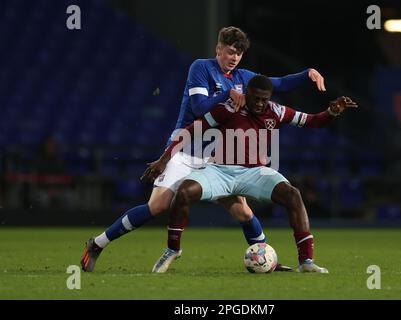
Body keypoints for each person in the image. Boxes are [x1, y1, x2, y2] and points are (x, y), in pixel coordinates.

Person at [81, 26, 327, 273]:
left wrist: (308, 74)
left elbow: (279, 83)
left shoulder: (243, 77)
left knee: (243, 212)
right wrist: (228, 95)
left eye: (239, 54)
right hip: (185, 148)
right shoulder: (201, 67)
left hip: (215, 159)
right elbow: (199, 108)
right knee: (157, 206)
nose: (234, 58)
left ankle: (266, 261)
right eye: (230, 52)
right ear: (218, 48)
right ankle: (98, 244)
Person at [146, 75, 357, 273]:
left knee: (293, 195)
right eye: (255, 98)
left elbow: (313, 121)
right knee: (183, 192)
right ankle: (173, 249)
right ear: (247, 93)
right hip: (220, 171)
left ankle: (306, 261)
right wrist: (164, 159)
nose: (259, 103)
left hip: (255, 172)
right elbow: (192, 130)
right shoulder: (228, 108)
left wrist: (332, 112)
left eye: (264, 99)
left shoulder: (277, 111)